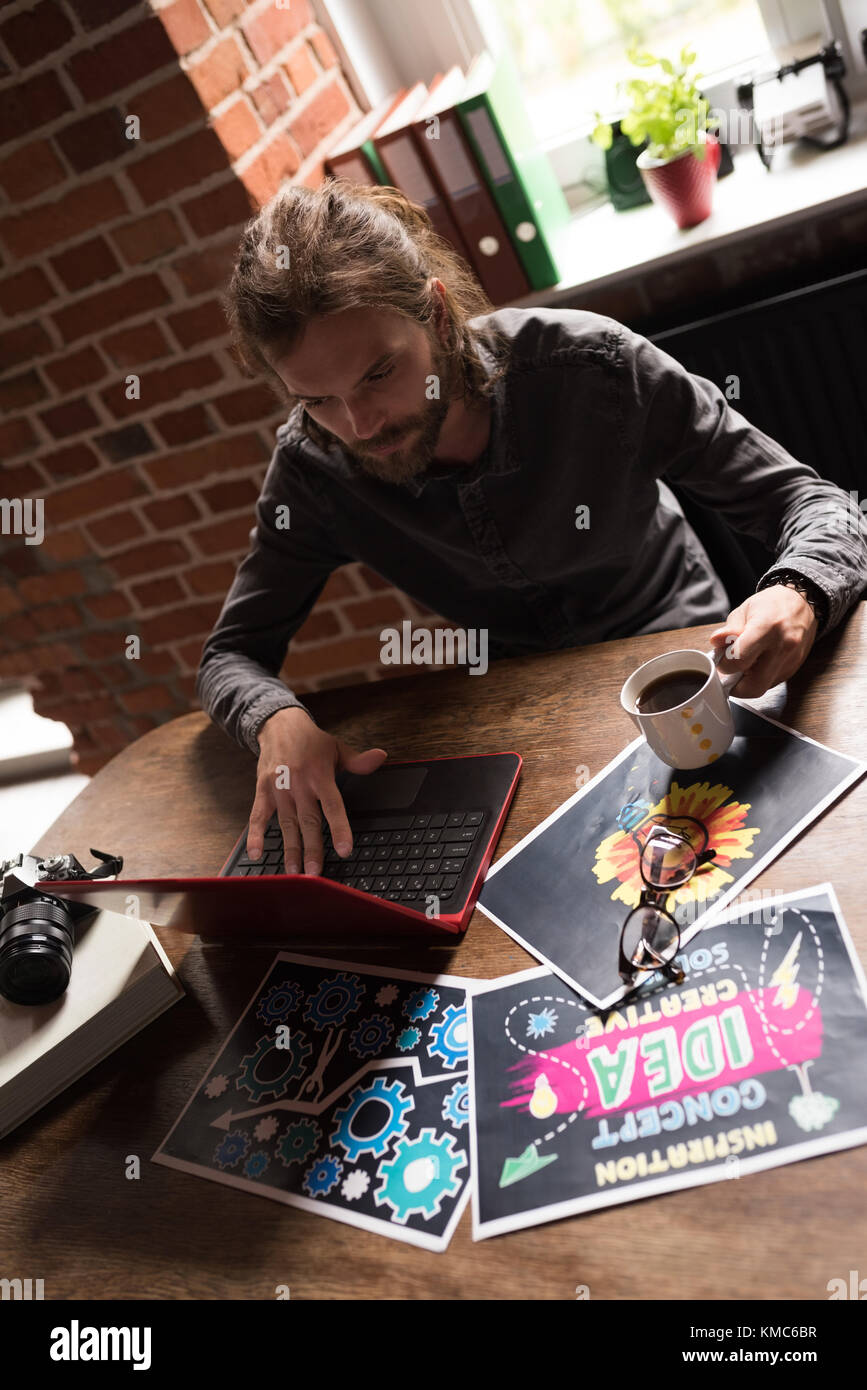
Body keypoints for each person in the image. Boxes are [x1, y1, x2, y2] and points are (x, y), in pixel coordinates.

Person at [198, 180, 867, 878]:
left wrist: (797, 591)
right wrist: (274, 720)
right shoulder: (312, 468)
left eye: (378, 374)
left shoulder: (592, 367)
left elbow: (812, 502)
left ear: (435, 314)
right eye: (316, 401)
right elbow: (228, 657)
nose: (359, 427)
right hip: (520, 727)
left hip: (684, 669)